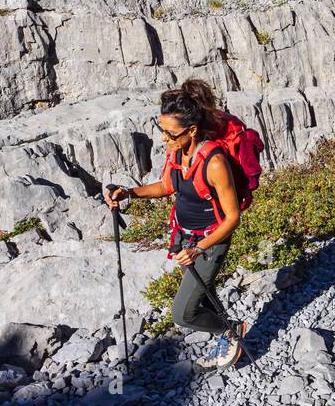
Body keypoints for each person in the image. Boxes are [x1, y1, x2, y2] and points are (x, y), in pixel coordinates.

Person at [105, 79, 246, 371]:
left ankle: (229, 331)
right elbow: (168, 185)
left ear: (191, 130)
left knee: (183, 314)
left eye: (170, 134)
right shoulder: (177, 153)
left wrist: (198, 249)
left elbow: (233, 217)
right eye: (162, 131)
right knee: (201, 293)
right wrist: (129, 192)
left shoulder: (215, 162)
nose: (163, 139)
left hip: (208, 242)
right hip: (183, 236)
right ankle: (226, 330)